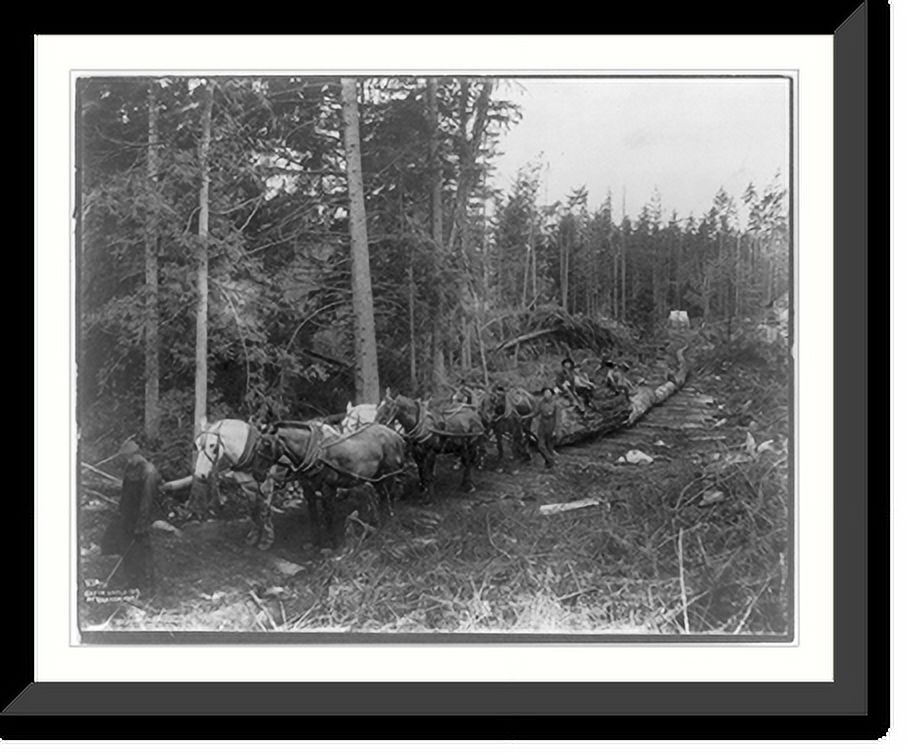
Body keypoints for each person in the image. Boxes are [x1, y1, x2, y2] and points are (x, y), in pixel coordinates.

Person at [101, 439, 162, 594]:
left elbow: (147, 501)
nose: (128, 460)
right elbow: (125, 494)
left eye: (129, 457)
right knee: (128, 553)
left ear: (136, 455)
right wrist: (121, 514)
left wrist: (141, 524)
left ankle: (148, 587)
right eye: (126, 458)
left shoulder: (149, 471)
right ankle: (132, 583)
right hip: (127, 519)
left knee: (143, 554)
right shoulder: (130, 468)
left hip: (141, 520)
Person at [533, 387, 560, 469]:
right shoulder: (541, 403)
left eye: (548, 393)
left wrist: (555, 430)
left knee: (549, 446)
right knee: (540, 445)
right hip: (542, 425)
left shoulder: (555, 404)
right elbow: (536, 412)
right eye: (545, 393)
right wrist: (525, 417)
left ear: (551, 394)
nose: (546, 395)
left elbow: (557, 418)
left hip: (551, 425)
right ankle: (551, 460)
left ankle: (549, 463)